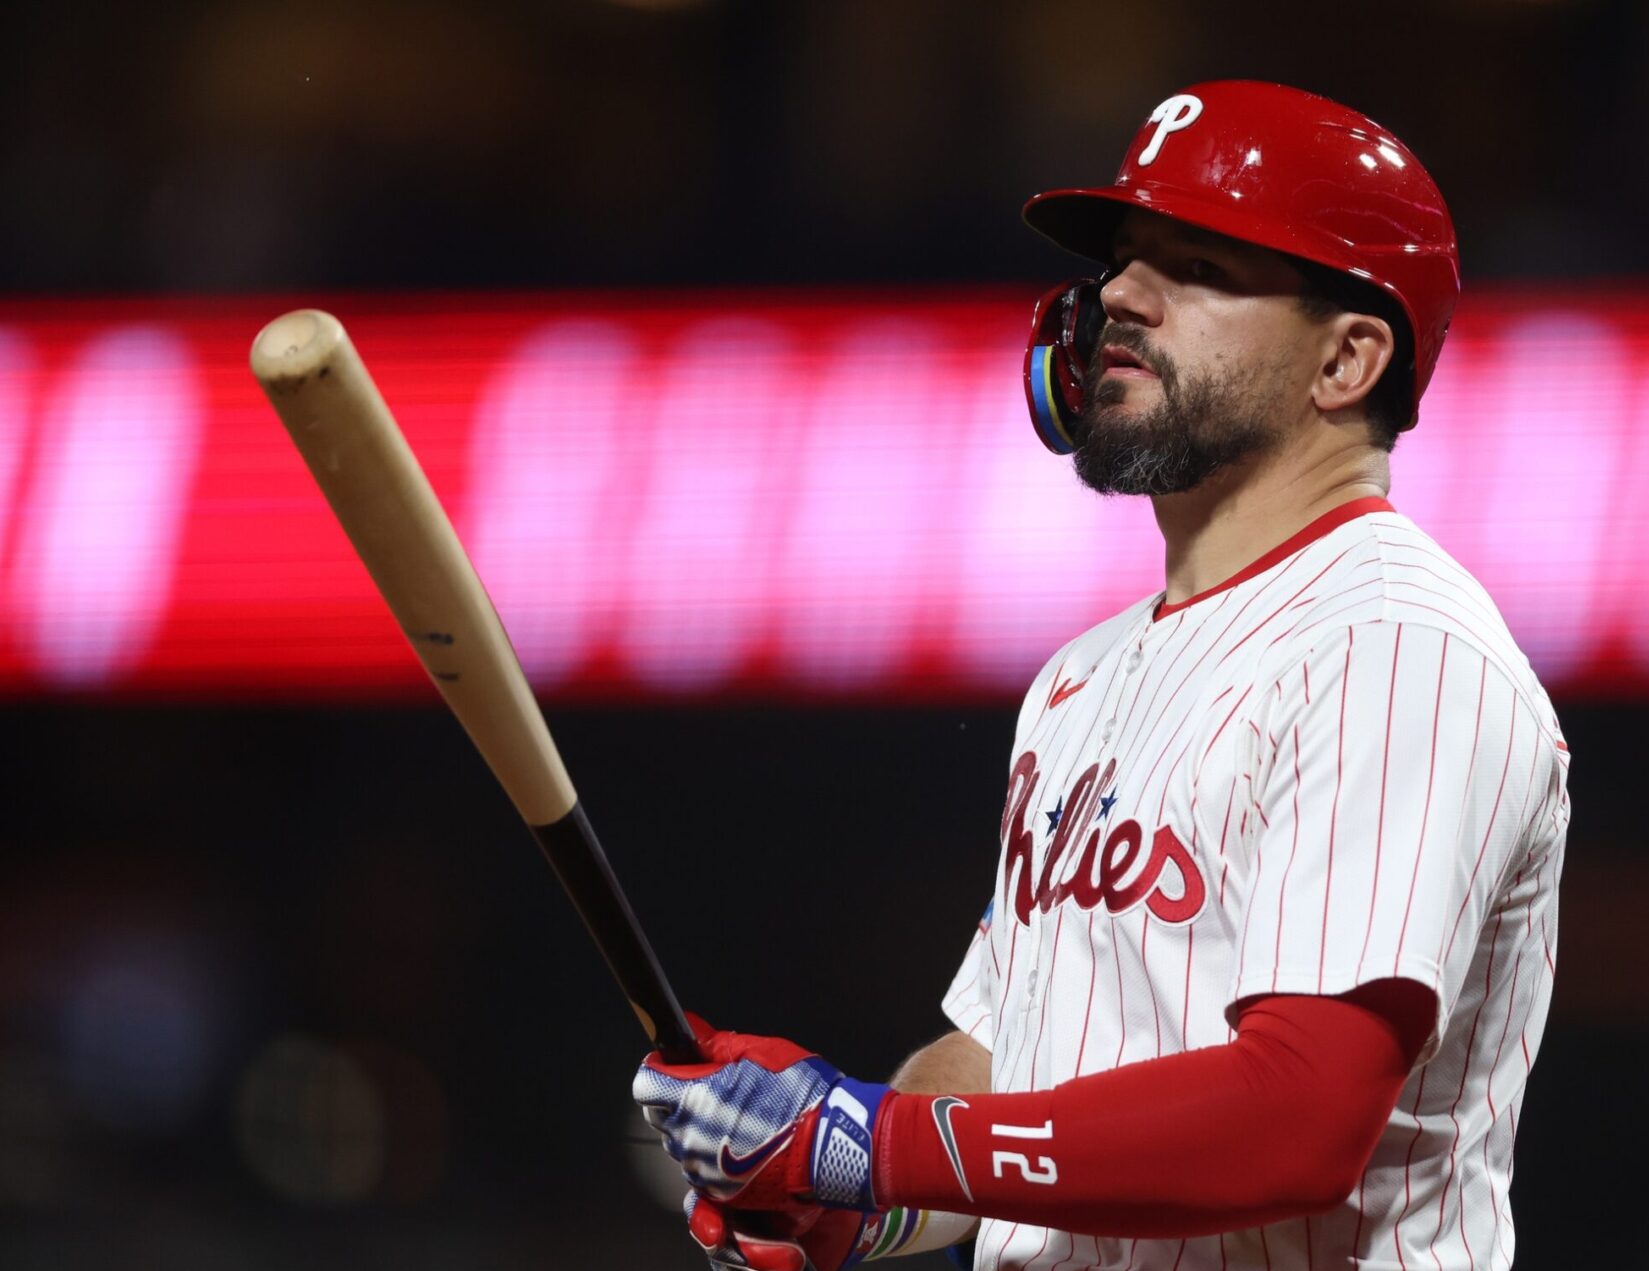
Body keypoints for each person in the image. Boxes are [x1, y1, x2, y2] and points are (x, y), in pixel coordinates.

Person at [636, 80, 1570, 1271]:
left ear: (1346, 359)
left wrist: (874, 1146)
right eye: (1128, 259)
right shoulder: (1083, 677)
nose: (1119, 295)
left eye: (1198, 267)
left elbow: (1296, 1117)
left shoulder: (1394, 649)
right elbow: (1005, 1063)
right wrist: (850, 1201)